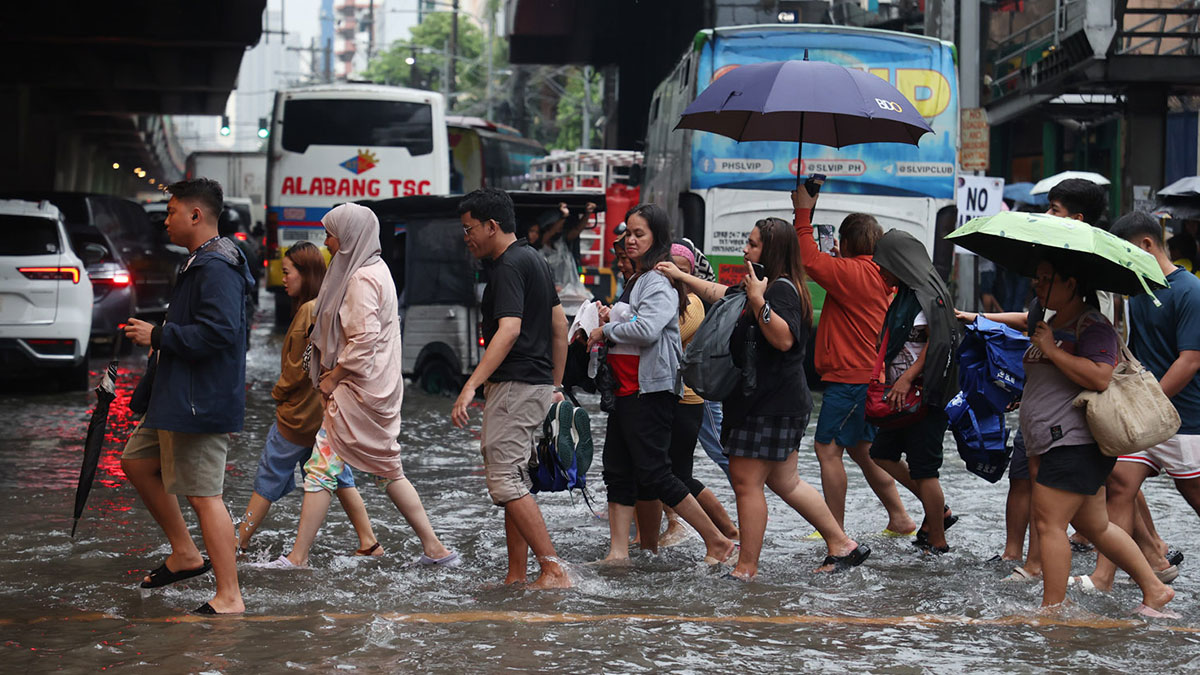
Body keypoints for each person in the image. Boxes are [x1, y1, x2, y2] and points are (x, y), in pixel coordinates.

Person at [658, 217, 868, 580]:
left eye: (753, 244)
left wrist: (758, 301)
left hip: (769, 405)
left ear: (770, 250)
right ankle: (841, 543)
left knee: (745, 482)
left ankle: (746, 567)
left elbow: (784, 338)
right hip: (778, 402)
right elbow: (721, 295)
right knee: (786, 481)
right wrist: (682, 278)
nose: (745, 249)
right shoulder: (764, 285)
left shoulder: (780, 289)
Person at [267, 203, 457, 569]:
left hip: (356, 391)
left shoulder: (360, 279)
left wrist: (333, 377)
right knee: (387, 469)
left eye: (331, 233)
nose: (326, 242)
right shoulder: (377, 269)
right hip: (378, 388)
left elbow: (364, 340)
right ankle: (435, 547)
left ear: (349, 236)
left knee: (323, 469)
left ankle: (298, 557)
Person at [120, 178, 254, 615]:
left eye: (172, 210)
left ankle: (230, 596)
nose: (166, 219)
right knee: (137, 462)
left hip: (199, 400)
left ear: (196, 215)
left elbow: (219, 333)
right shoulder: (200, 261)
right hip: (177, 397)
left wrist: (158, 335)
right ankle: (185, 554)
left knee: (204, 495)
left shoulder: (216, 266)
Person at [1012, 254, 1175, 614]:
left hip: (1073, 441)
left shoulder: (1093, 325)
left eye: (1045, 279)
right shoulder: (1051, 321)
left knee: (1049, 523)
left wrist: (1053, 350)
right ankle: (1154, 589)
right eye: (1036, 278)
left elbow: (1101, 376)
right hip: (1056, 441)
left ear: (1071, 284)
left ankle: (1052, 610)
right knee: (1097, 526)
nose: (1037, 285)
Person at [586, 204, 737, 565]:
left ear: (657, 238)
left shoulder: (657, 281)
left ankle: (718, 540)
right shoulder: (637, 279)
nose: (632, 241)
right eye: (629, 234)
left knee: (657, 473)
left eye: (640, 234)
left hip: (650, 390)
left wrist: (604, 329)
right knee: (617, 468)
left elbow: (647, 329)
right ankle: (619, 552)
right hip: (626, 390)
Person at [451, 188, 571, 589]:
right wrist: (555, 384)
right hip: (533, 385)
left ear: (492, 226)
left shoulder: (507, 267)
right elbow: (561, 327)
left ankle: (553, 569)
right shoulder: (533, 259)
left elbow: (509, 329)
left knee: (505, 481)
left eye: (469, 229)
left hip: (516, 385)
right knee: (514, 480)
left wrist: (471, 385)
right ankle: (517, 575)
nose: (466, 237)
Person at [1075, 212, 1200, 591]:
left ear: (1146, 245)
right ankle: (1104, 577)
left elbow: (1191, 359)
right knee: (1119, 483)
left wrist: (1149, 402)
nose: (1123, 262)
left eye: (1127, 252)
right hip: (1146, 416)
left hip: (1188, 420)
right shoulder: (1137, 290)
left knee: (1194, 496)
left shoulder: (1189, 290)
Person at [236, 242, 382, 557]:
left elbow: (297, 369)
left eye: (287, 272)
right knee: (338, 477)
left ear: (306, 273)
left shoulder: (308, 310)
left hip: (298, 415)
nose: (282, 278)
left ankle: (239, 540)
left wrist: (277, 394)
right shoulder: (327, 306)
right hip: (325, 415)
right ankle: (368, 541)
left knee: (269, 472)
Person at [791, 188, 917, 537]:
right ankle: (901, 518)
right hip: (869, 376)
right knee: (867, 452)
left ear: (846, 244)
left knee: (826, 449)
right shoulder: (874, 273)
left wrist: (803, 213)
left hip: (850, 379)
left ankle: (834, 528)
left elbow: (807, 259)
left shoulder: (853, 274)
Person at [868, 229, 962, 554]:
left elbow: (938, 342)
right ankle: (938, 512)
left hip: (925, 397)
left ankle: (938, 540)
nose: (880, 271)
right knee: (881, 454)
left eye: (883, 264)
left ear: (899, 262)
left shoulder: (926, 296)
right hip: (903, 398)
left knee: (926, 470)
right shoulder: (909, 294)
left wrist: (907, 377)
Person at [658, 243, 739, 546]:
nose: (676, 274)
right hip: (667, 397)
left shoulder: (692, 303)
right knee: (662, 470)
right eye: (671, 266)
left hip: (690, 397)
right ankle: (666, 529)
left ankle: (727, 532)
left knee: (681, 472)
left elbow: (662, 335)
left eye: (684, 269)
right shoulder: (665, 299)